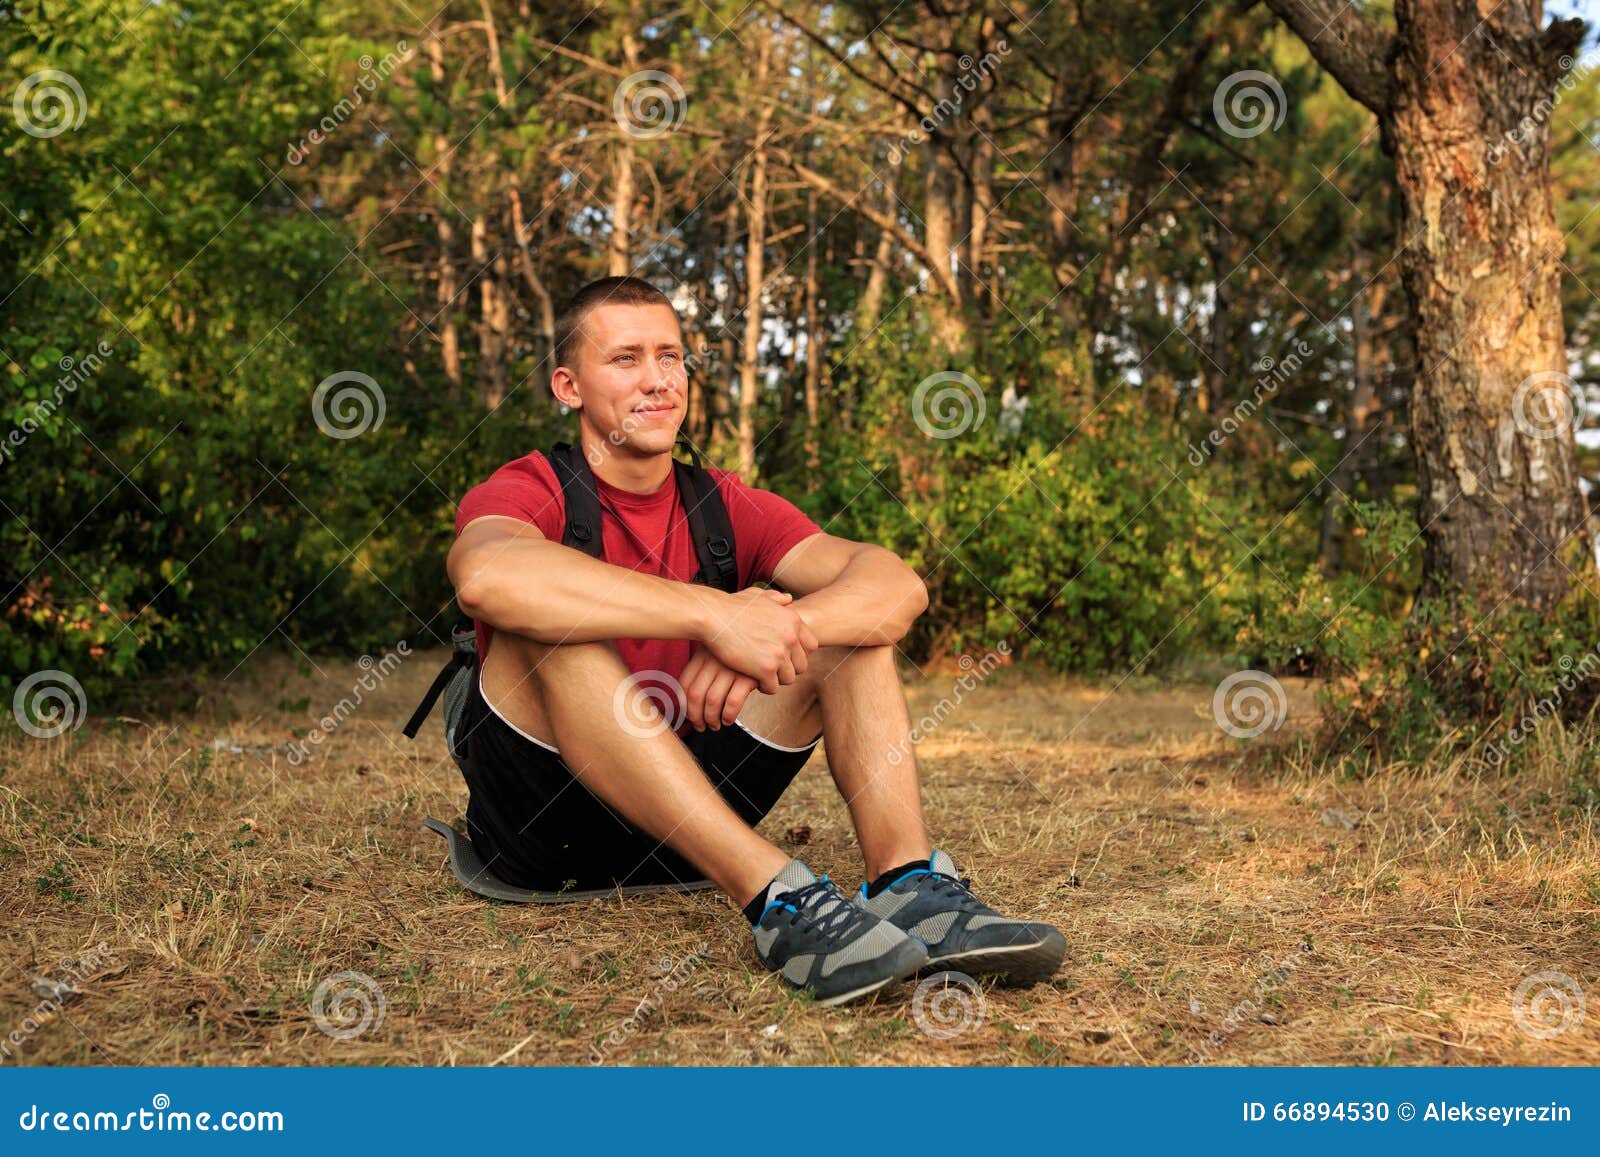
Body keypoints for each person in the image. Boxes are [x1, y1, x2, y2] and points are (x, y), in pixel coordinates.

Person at [446, 275, 1065, 1006]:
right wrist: (713, 613)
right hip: (551, 832)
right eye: (626, 359)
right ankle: (777, 899)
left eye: (671, 357)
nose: (657, 380)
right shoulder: (529, 486)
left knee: (852, 631)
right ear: (568, 385)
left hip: (691, 805)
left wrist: (778, 626)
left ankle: (908, 886)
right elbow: (487, 576)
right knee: (554, 629)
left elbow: (897, 586)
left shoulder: (721, 501)